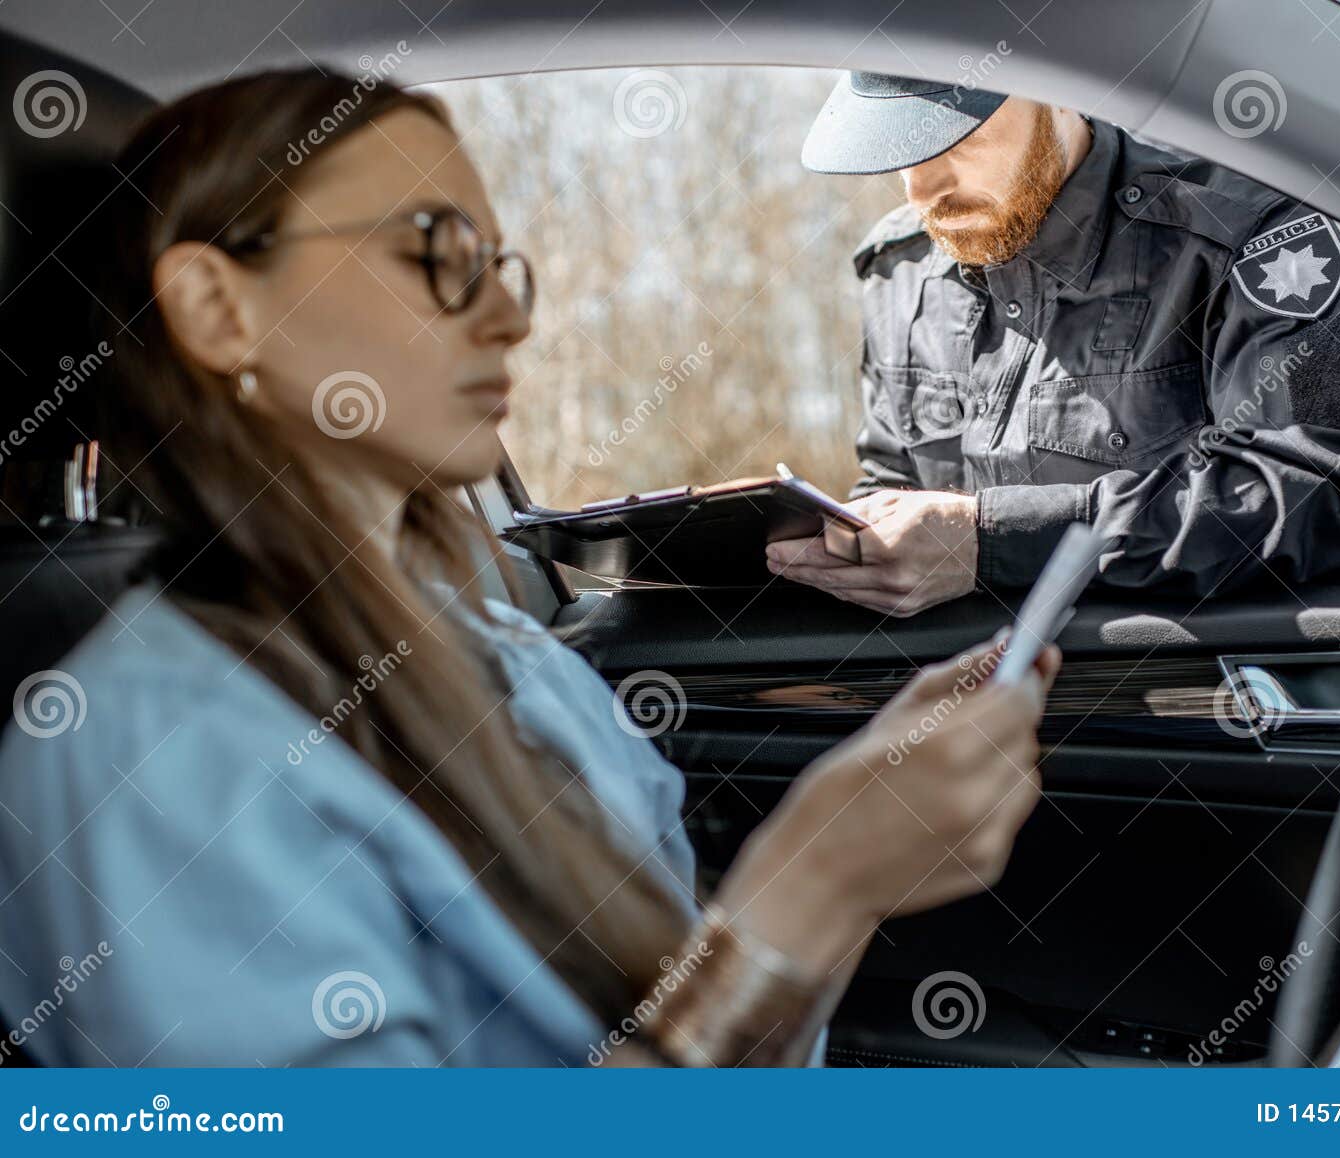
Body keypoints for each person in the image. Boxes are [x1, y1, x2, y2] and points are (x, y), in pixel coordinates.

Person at [0, 70, 1059, 1067]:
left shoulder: (495, 648)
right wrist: (817, 886)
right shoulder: (153, 748)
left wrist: (851, 838)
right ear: (220, 310)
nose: (511, 320)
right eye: (436, 256)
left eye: (500, 268)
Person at [766, 73, 1340, 616]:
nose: (920, 189)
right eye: (897, 149)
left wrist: (994, 542)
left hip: (1192, 720)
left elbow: (1335, 499)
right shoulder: (899, 269)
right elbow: (892, 486)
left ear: (1060, 87)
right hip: (957, 723)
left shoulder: (1254, 240)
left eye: (954, 136)